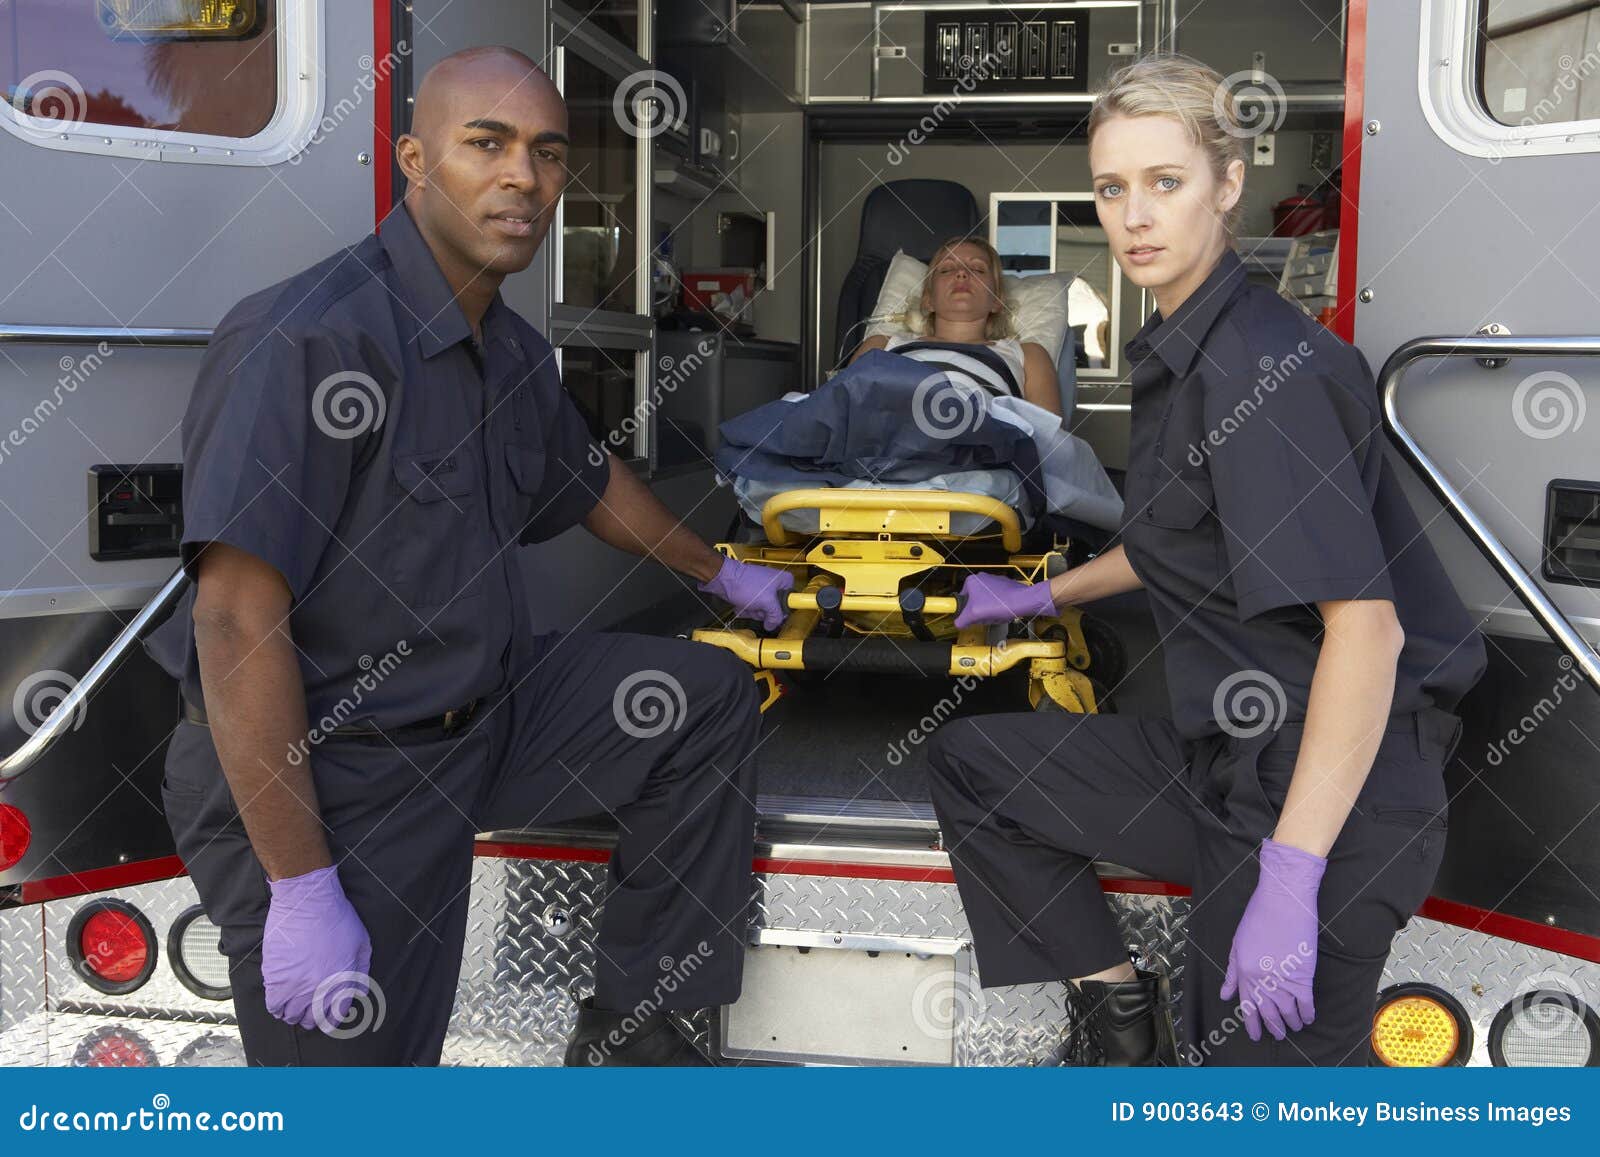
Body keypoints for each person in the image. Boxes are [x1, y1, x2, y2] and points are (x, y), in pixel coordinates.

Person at [144, 46, 795, 1067]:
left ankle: (639, 1028)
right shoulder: (309, 340)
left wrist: (720, 573)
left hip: (481, 714)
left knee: (702, 695)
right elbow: (231, 622)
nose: (522, 178)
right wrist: (302, 886)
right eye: (485, 144)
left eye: (544, 154)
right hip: (338, 766)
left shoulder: (509, 347)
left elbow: (589, 484)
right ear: (414, 158)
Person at [929, 55, 1488, 1066]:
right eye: (1112, 188)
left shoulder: (1259, 369)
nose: (1135, 214)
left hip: (1334, 793)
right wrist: (1027, 595)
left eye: (1166, 181)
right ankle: (1118, 1014)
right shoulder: (1186, 346)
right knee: (976, 763)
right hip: (1227, 754)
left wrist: (1288, 876)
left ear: (1227, 185)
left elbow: (1367, 632)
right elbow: (1170, 543)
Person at [850, 237, 1062, 416]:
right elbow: (840, 411)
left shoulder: (1028, 355)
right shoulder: (881, 346)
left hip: (981, 458)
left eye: (978, 269)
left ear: (997, 301)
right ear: (928, 300)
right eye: (947, 270)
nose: (961, 273)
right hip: (884, 455)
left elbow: (1050, 445)